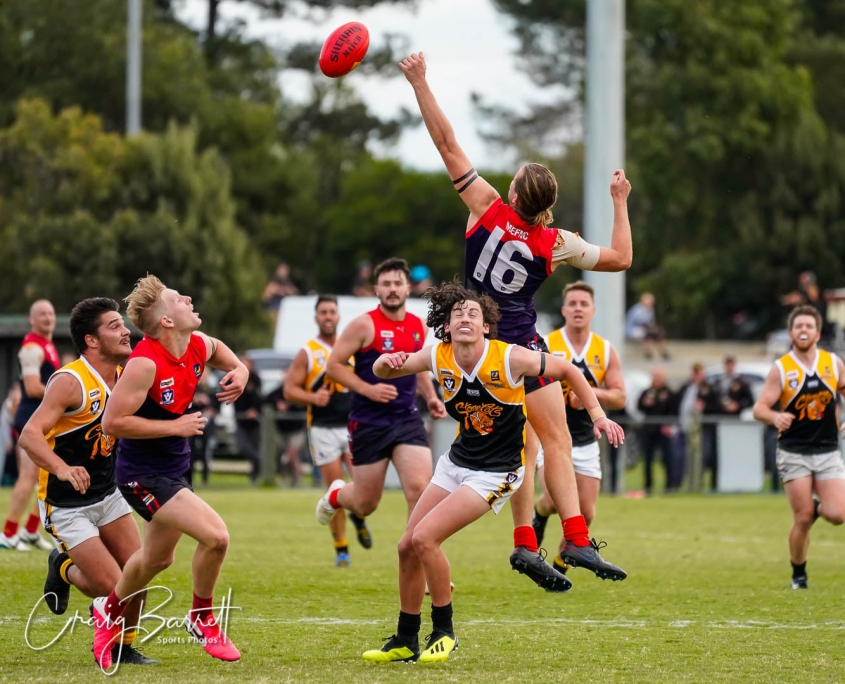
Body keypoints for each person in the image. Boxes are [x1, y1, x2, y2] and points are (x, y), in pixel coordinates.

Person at [400, 51, 630, 589]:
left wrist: (420, 82)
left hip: (471, 339)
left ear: (513, 194)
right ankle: (572, 537)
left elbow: (446, 143)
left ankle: (527, 543)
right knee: (554, 440)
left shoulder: (485, 206)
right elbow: (621, 259)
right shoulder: (556, 242)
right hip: (517, 345)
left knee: (523, 446)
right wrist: (620, 200)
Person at [361, 283, 624, 663]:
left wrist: (598, 415)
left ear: (487, 327)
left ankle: (444, 631)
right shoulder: (439, 356)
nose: (465, 318)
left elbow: (568, 369)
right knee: (406, 547)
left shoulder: (511, 358)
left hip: (497, 472)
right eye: (457, 314)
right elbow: (379, 369)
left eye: (473, 314)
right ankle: (405, 638)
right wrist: (390, 362)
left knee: (424, 540)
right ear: (447, 327)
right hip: (455, 464)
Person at [91, 275, 249, 670]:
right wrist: (174, 426)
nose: (189, 299)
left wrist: (241, 371)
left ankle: (107, 609)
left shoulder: (195, 344)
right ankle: (201, 617)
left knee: (156, 560)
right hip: (141, 474)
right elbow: (112, 422)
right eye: (179, 299)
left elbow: (222, 352)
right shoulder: (144, 363)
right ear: (165, 321)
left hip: (176, 466)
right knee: (216, 537)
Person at [19, 297, 157, 666]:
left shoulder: (127, 374)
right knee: (113, 587)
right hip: (66, 505)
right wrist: (62, 468)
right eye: (114, 326)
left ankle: (124, 648)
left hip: (107, 494)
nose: (126, 330)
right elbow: (29, 436)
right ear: (91, 341)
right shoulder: (70, 380)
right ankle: (63, 566)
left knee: (137, 576)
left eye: (122, 323)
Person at [318, 258, 446, 531]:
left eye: (397, 283)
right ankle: (335, 495)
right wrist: (369, 389)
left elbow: (419, 366)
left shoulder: (418, 325)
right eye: (386, 284)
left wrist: (432, 396)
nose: (392, 289)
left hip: (406, 419)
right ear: (376, 289)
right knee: (366, 504)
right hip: (369, 422)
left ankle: (416, 562)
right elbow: (333, 366)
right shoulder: (363, 326)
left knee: (419, 490)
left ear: (408, 288)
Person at [531, 282, 627, 565]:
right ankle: (539, 512)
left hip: (585, 439)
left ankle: (561, 563)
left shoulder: (605, 350)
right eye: (572, 303)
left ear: (593, 310)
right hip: (550, 436)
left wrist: (588, 394)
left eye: (583, 304)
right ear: (563, 310)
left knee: (586, 513)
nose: (578, 309)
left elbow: (620, 397)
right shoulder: (546, 344)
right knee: (553, 501)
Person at [753, 305, 845, 590]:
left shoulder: (833, 363)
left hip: (828, 450)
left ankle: (816, 505)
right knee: (802, 518)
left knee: (838, 515)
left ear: (817, 333)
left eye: (808, 326)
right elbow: (759, 408)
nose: (803, 330)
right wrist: (774, 416)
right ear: (791, 333)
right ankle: (798, 574)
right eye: (798, 326)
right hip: (794, 451)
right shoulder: (782, 368)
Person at [284, 295, 371, 567]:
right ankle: (341, 549)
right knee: (335, 488)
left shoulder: (350, 348)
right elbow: (289, 389)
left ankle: (359, 516)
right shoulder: (308, 352)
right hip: (322, 428)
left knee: (363, 486)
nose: (328, 317)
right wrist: (312, 398)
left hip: (352, 426)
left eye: (332, 312)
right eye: (323, 312)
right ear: (316, 318)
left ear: (338, 316)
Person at [1, 300, 59, 551]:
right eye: (42, 314)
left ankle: (31, 530)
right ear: (32, 320)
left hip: (44, 419)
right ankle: (8, 533)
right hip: (29, 419)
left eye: (51, 312)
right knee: (28, 476)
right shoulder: (32, 348)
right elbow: (33, 387)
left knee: (49, 477)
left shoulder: (48, 345)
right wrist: (68, 394)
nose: (47, 317)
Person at [637, 368, 677, 494]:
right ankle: (648, 486)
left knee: (667, 459)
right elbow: (639, 406)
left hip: (663, 431)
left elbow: (674, 410)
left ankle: (669, 486)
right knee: (648, 459)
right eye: (655, 377)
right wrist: (645, 404)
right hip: (649, 430)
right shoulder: (648, 392)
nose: (657, 379)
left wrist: (668, 424)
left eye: (659, 377)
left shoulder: (669, 392)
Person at [233, 355, 262, 484]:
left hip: (254, 422)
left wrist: (255, 410)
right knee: (243, 447)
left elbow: (259, 397)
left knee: (256, 446)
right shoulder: (233, 378)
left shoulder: (256, 379)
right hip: (241, 420)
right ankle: (259, 460)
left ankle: (255, 476)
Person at [625, 293, 669, 360]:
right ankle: (648, 353)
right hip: (633, 330)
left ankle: (662, 352)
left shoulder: (650, 310)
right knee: (648, 333)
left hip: (644, 329)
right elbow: (640, 323)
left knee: (658, 333)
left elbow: (651, 322)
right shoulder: (637, 310)